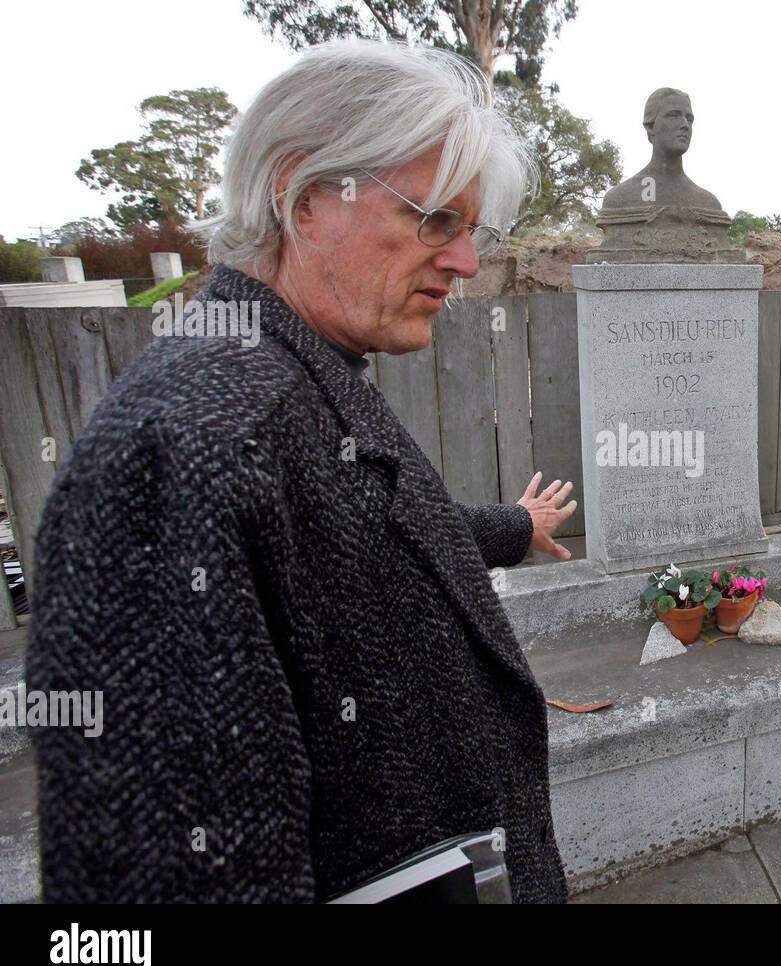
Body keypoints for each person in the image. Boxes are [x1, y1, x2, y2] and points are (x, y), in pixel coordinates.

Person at [26, 40, 575, 903]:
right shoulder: (193, 442)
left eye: (473, 229)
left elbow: (371, 534)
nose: (466, 263)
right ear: (304, 197)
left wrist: (516, 527)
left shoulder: (294, 373)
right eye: (434, 218)